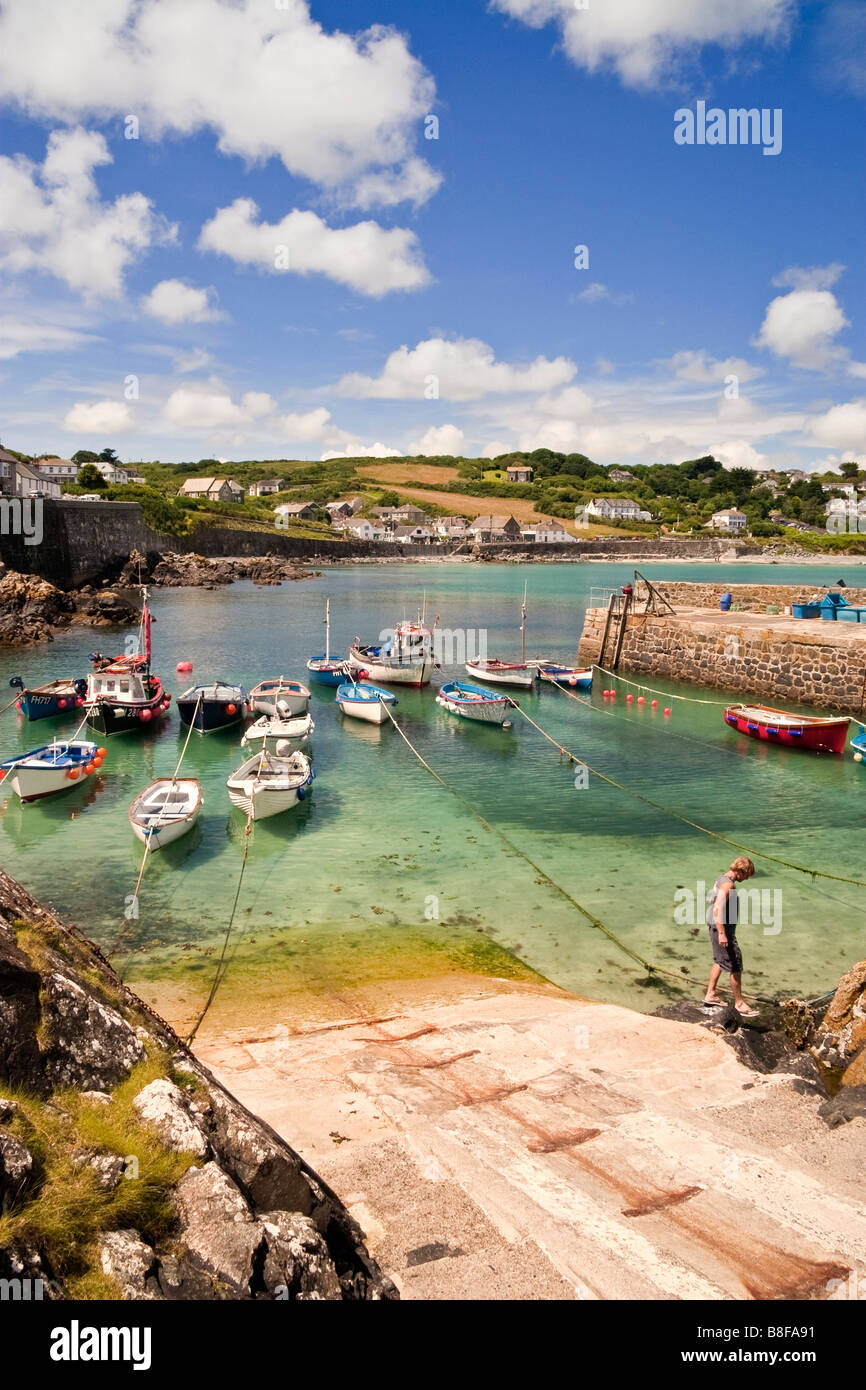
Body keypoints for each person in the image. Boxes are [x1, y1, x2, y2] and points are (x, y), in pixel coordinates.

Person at [703, 856, 759, 1016]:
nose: (747, 878)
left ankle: (711, 994)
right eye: (747, 874)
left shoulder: (721, 879)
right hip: (721, 929)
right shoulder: (728, 885)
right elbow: (717, 910)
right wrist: (722, 933)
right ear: (742, 871)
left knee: (719, 961)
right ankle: (739, 1004)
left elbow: (711, 900)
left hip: (715, 927)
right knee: (735, 964)